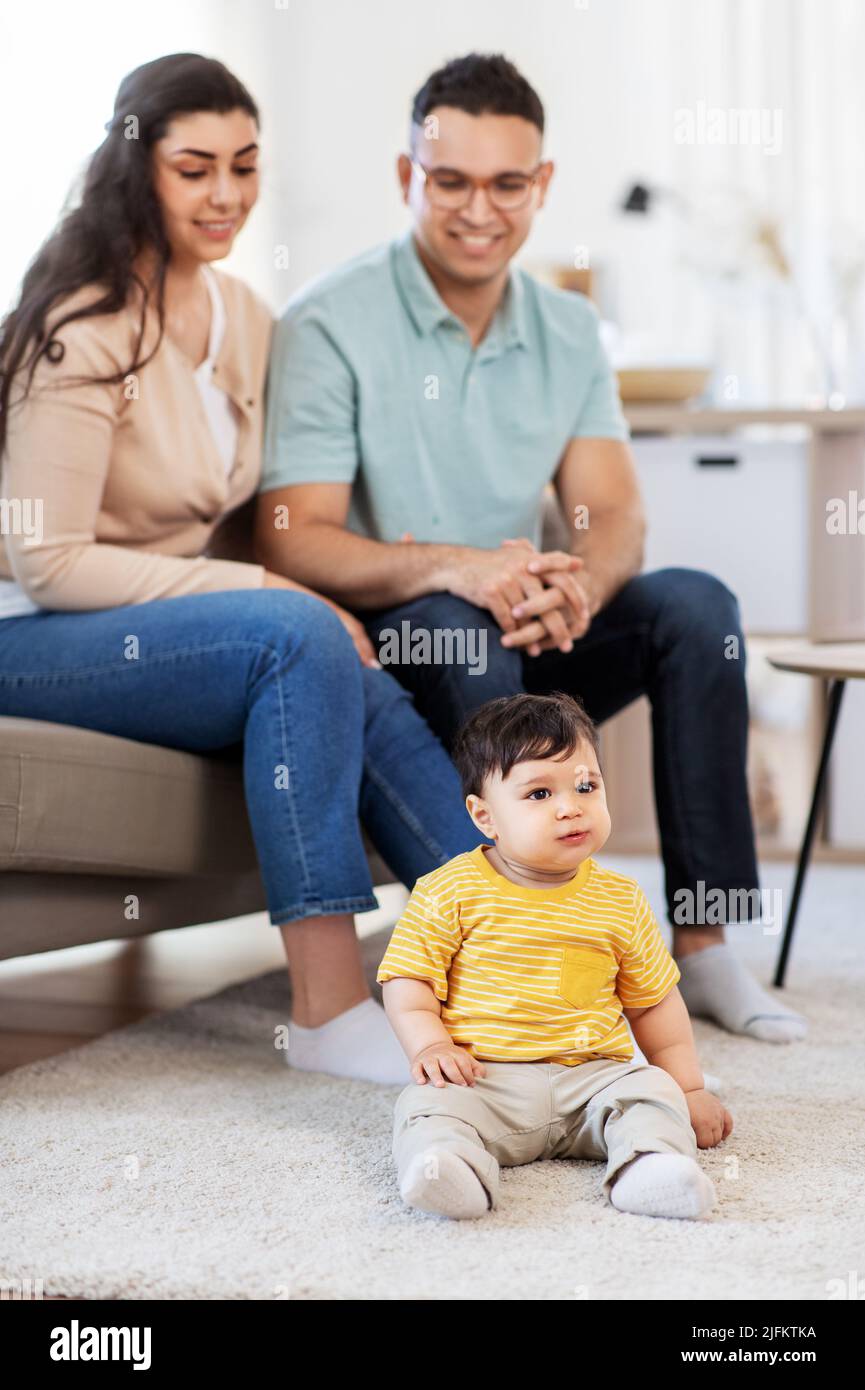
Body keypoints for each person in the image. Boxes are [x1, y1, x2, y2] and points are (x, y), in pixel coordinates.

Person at [256, 51, 806, 1046]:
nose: (479, 209)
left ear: (540, 185)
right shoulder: (327, 322)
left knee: (695, 608)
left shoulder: (565, 329)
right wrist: (457, 566)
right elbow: (293, 536)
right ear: (404, 178)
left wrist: (579, 588)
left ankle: (707, 945)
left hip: (523, 620)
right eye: (449, 181)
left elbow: (611, 512)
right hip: (405, 637)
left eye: (507, 183)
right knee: (458, 626)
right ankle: (516, 945)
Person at [0, 52, 481, 1087]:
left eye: (245, 165)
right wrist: (274, 594)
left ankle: (512, 950)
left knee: (346, 667)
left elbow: (245, 524)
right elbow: (46, 562)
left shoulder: (245, 318)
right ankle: (324, 1010)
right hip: (31, 633)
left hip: (154, 627)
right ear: (137, 170)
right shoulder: (81, 326)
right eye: (194, 168)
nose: (226, 194)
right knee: (298, 631)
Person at [376, 692, 732, 1220]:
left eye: (586, 786)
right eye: (539, 793)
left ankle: (647, 1168)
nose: (571, 806)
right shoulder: (448, 891)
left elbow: (654, 1005)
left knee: (651, 1093)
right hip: (485, 1079)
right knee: (426, 1106)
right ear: (485, 816)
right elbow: (408, 981)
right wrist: (429, 1046)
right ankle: (450, 1167)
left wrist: (689, 1087)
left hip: (593, 1079)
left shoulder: (620, 899)